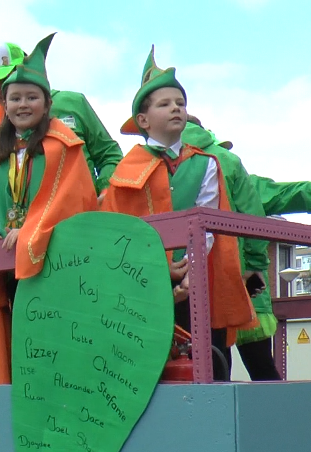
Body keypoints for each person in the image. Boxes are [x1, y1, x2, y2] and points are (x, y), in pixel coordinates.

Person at [100, 47, 256, 381]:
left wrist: (191, 272)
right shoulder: (124, 172)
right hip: (142, 287)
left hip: (197, 282)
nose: (176, 108)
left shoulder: (205, 164)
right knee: (146, 374)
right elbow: (118, 232)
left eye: (180, 103)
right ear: (143, 121)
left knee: (209, 369)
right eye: (164, 103)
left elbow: (209, 224)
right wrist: (157, 268)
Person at [182, 118, 311, 381]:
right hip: (246, 287)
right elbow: (290, 194)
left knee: (213, 373)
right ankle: (276, 420)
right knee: (263, 373)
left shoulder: (170, 171)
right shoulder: (231, 168)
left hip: (198, 291)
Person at [0, 34, 99, 384]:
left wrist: (31, 230)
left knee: (59, 344)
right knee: (23, 345)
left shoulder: (64, 146)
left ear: (46, 102)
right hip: (13, 262)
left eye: (31, 97)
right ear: (4, 104)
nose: (22, 105)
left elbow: (71, 203)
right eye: (14, 98)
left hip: (57, 264)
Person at [0, 41, 122, 193]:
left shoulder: (72, 103)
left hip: (83, 213)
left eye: (4, 81)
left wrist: (105, 191)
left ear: (27, 71)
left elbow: (109, 155)